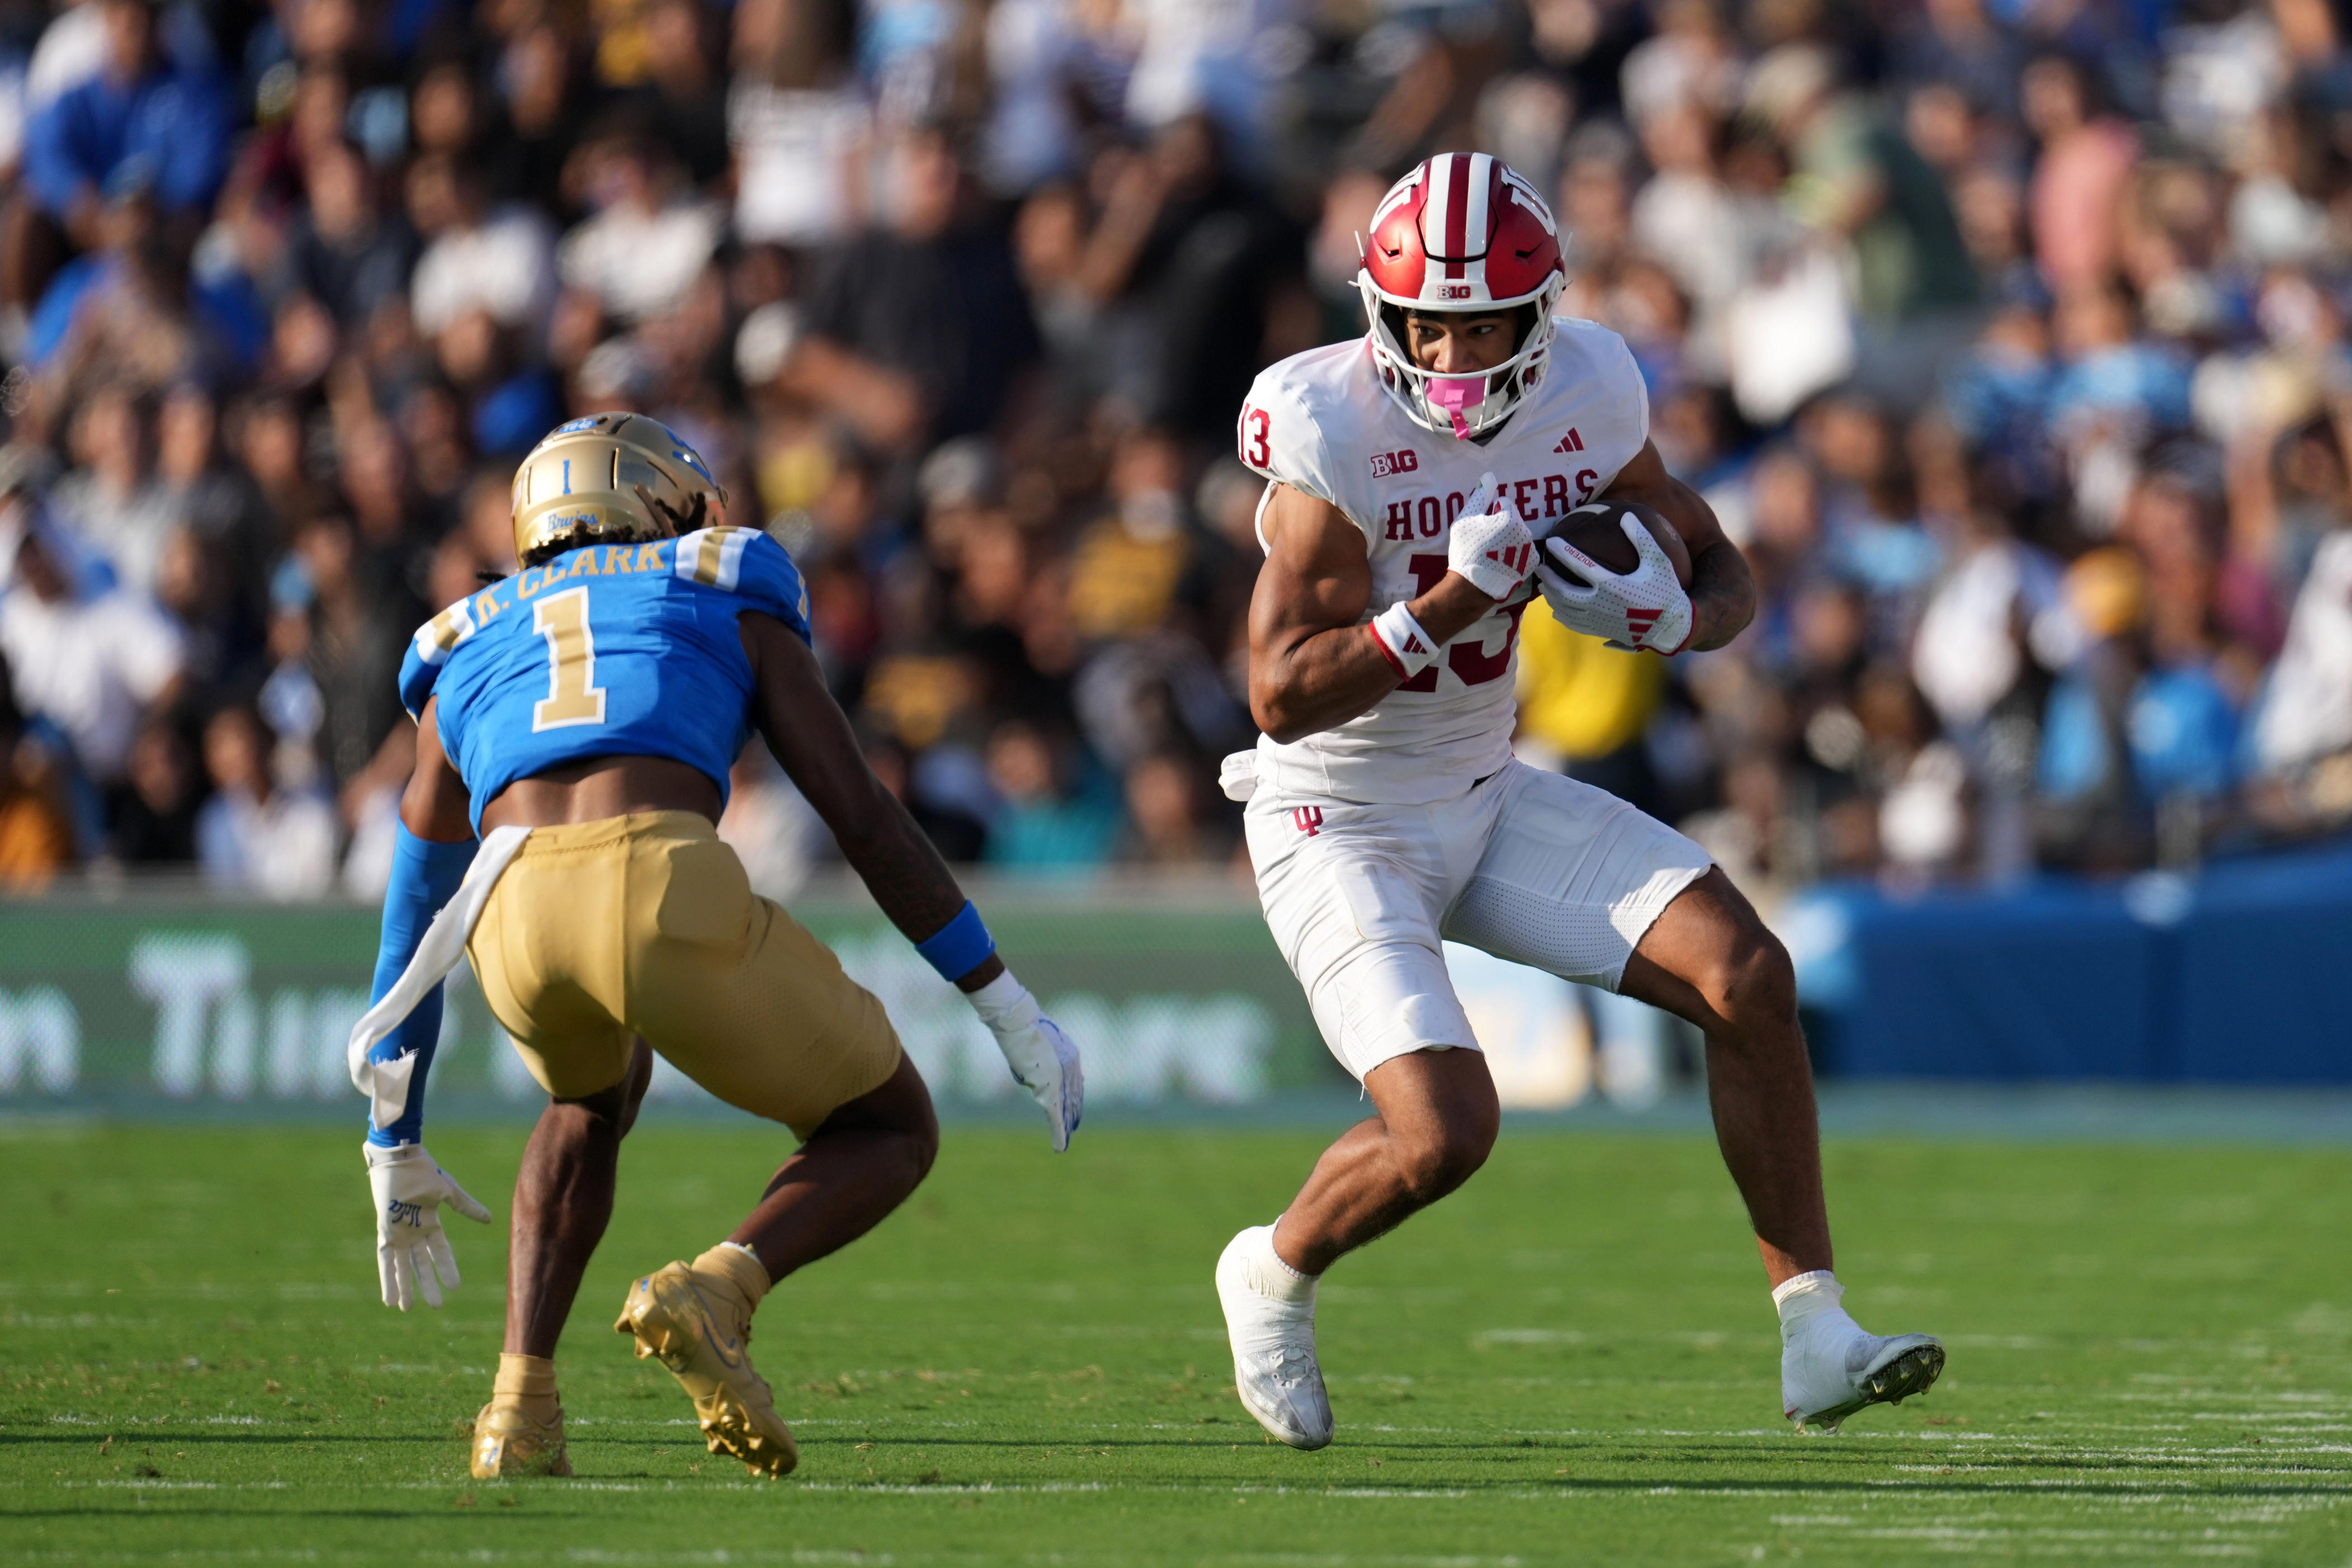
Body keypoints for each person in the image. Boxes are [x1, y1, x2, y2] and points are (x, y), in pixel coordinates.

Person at [1217, 153, 1944, 1451]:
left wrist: (1674, 619)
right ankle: (1271, 1268)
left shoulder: (1592, 387)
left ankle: (1817, 1329)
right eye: (1423, 317)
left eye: (1477, 319)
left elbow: (1723, 572)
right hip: (1338, 817)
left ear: (1539, 313)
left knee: (1748, 975)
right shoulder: (1328, 426)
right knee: (1445, 1134)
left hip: (1487, 789)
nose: (1445, 347)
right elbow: (1279, 694)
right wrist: (1447, 602)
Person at [343, 414, 1084, 1483]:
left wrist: (392, 1133)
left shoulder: (461, 638)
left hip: (502, 919)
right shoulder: (723, 576)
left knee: (588, 1099)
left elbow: (414, 907)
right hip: (653, 879)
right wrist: (1002, 999)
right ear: (657, 510)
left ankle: (519, 1406)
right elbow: (860, 813)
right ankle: (719, 1289)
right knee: (890, 1126)